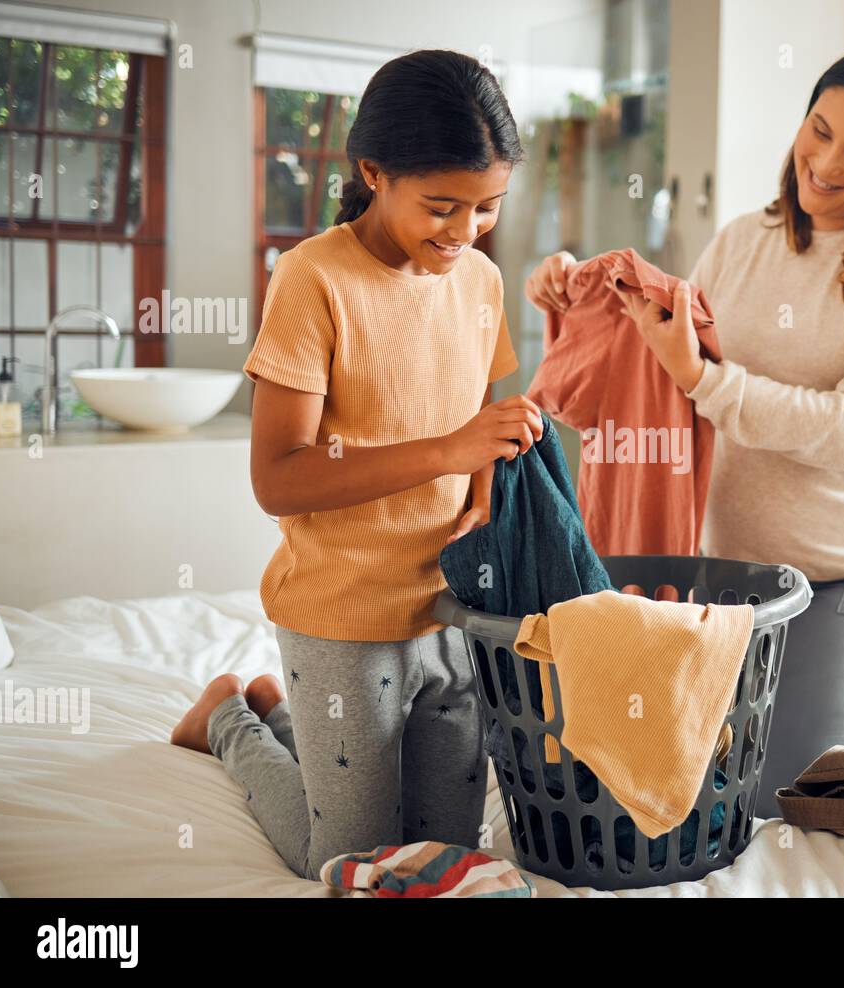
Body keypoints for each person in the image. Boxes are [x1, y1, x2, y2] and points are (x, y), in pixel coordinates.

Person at [526, 40, 844, 819]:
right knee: (639, 764)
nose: (825, 163)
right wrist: (573, 301)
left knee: (781, 791)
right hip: (745, 586)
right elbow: (651, 367)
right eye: (819, 128)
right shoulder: (744, 239)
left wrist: (706, 379)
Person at [170, 49, 543, 879]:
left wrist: (486, 469)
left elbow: (477, 422)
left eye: (486, 208)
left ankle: (280, 710)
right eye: (442, 206)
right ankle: (229, 716)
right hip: (344, 616)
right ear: (374, 171)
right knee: (344, 859)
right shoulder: (313, 279)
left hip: (449, 610)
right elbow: (280, 477)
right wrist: (447, 451)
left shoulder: (478, 279)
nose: (464, 231)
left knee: (446, 852)